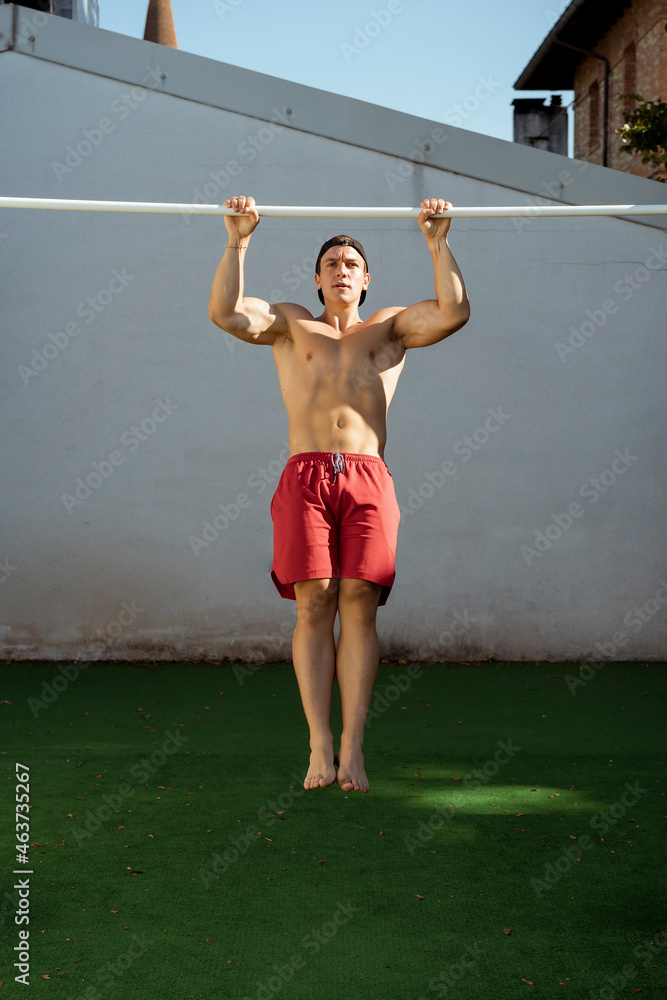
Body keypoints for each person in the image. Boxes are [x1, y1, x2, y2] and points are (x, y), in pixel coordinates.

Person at [208, 195, 470, 793]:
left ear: (366, 278)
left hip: (367, 473)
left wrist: (437, 241)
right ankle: (318, 743)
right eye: (331, 262)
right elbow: (225, 312)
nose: (342, 268)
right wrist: (238, 240)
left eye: (352, 262)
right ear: (318, 278)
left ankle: (352, 746)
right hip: (304, 475)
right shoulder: (290, 321)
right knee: (314, 601)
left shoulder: (392, 327)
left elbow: (454, 312)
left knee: (357, 599)